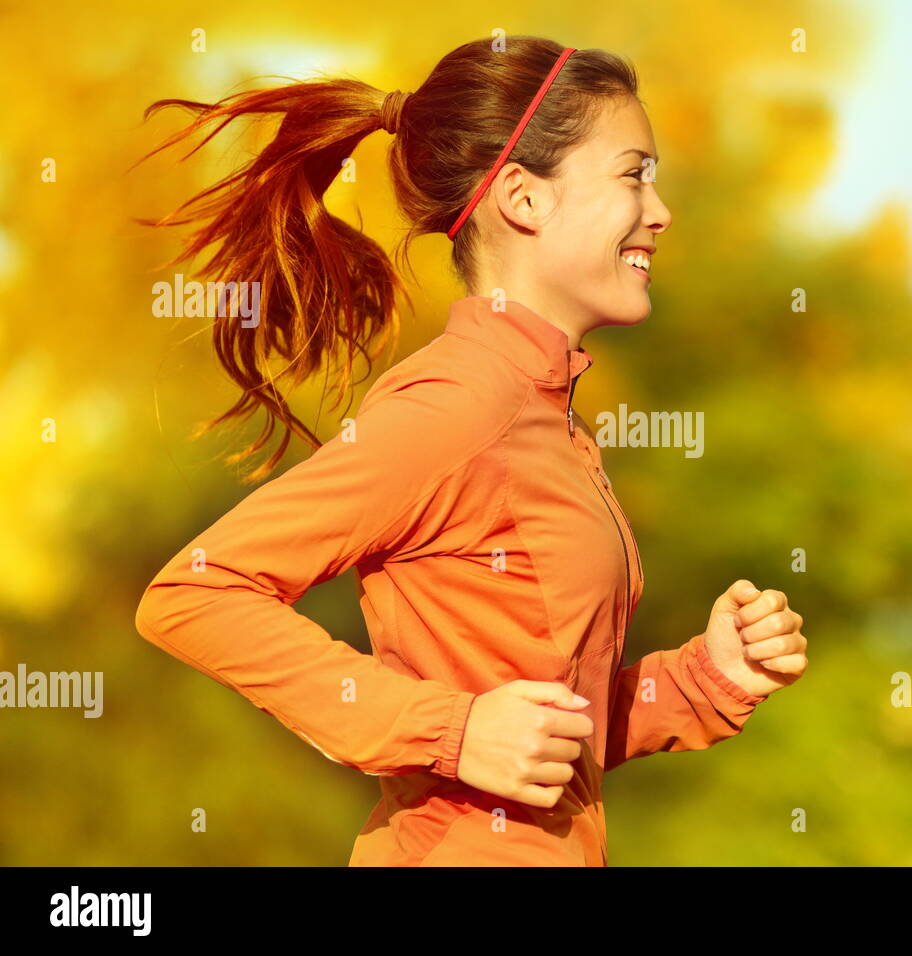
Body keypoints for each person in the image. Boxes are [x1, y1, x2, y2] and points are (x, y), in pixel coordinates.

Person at [133, 35, 808, 866]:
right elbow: (196, 595)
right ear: (523, 199)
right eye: (633, 174)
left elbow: (552, 728)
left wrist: (709, 677)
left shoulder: (541, 413)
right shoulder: (462, 406)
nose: (660, 210)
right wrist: (451, 733)